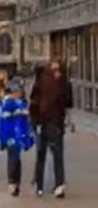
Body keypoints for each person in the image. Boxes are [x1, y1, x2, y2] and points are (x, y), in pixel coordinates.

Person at [29, 60, 73, 198]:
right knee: (57, 154)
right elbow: (68, 102)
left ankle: (39, 184)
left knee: (42, 154)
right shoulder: (63, 83)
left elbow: (33, 101)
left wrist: (33, 120)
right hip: (55, 122)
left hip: (43, 122)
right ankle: (59, 184)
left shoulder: (42, 81)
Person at [0, 77, 33, 197]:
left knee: (16, 159)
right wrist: (4, 137)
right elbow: (5, 122)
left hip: (18, 136)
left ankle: (16, 182)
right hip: (11, 136)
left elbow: (25, 121)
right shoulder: (8, 104)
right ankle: (13, 181)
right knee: (13, 158)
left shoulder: (21, 103)